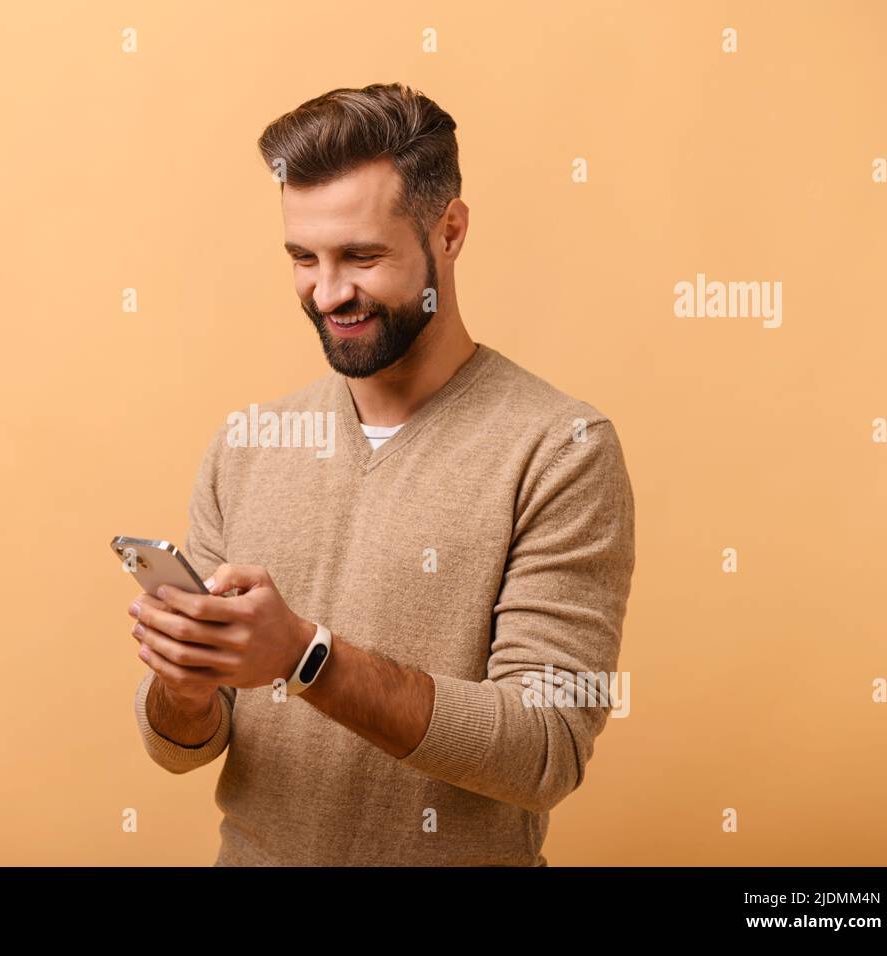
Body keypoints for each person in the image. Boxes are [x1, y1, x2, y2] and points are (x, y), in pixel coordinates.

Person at [129, 82, 636, 866]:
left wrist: (305, 658)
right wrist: (185, 687)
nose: (328, 293)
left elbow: (545, 750)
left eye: (362, 256)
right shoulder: (249, 442)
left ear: (451, 230)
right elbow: (184, 748)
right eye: (304, 257)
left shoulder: (561, 448)